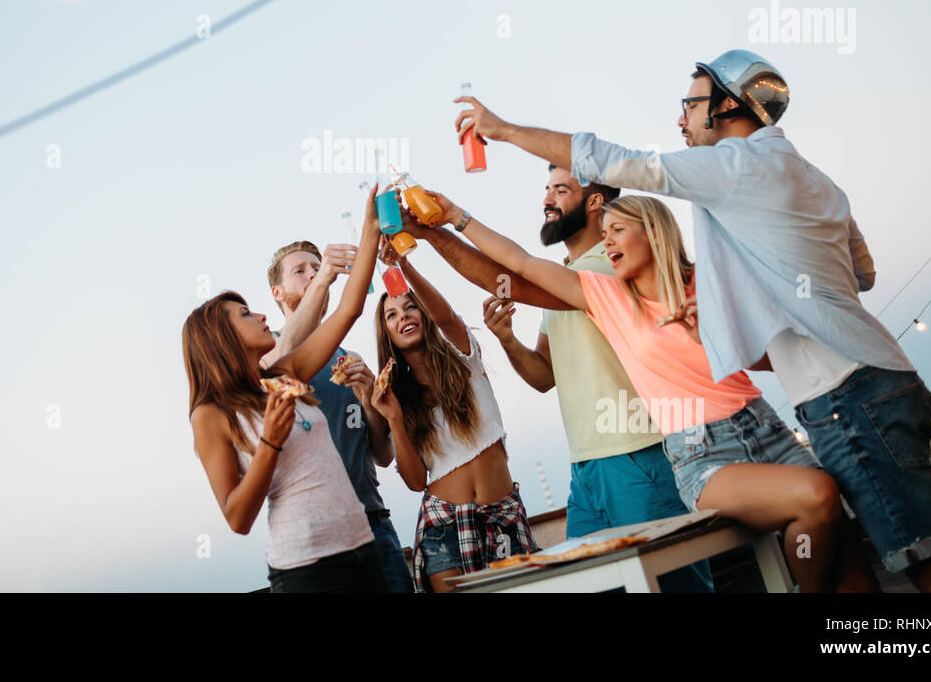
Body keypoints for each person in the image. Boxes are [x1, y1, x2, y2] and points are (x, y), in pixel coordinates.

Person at [454, 50, 931, 592]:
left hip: (843, 397)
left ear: (727, 106)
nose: (681, 120)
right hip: (886, 380)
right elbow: (862, 273)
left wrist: (500, 129)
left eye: (689, 105)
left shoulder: (732, 168)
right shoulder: (813, 178)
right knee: (862, 564)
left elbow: (618, 162)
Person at [419, 187, 876, 592]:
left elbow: (775, 355)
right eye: (606, 231)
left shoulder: (704, 285)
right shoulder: (608, 297)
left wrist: (719, 338)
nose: (608, 239)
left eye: (618, 229)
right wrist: (454, 217)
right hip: (701, 449)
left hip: (762, 425)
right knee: (816, 494)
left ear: (654, 231)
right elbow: (516, 263)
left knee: (850, 555)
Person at [397, 167, 713, 592]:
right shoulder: (566, 278)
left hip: (640, 454)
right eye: (546, 188)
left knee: (675, 586)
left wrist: (443, 229)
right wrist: (508, 341)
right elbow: (544, 376)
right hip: (586, 470)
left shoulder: (613, 265)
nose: (547, 199)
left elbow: (509, 276)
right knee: (592, 586)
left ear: (596, 201)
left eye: (561, 190)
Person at [184, 184, 387, 593]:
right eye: (245, 314)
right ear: (221, 338)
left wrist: (370, 229)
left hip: (365, 550)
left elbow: (350, 308)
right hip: (307, 572)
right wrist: (270, 443)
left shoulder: (283, 373)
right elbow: (237, 518)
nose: (260, 314)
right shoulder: (210, 415)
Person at [367, 238, 536, 593]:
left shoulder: (464, 357)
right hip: (443, 527)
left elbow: (445, 315)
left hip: (503, 515)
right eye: (392, 315)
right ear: (387, 333)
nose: (404, 317)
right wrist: (395, 419)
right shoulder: (395, 398)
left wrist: (403, 267)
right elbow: (415, 481)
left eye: (410, 307)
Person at [264, 239, 414, 592]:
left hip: (373, 520)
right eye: (299, 271)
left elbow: (382, 454)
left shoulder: (350, 359)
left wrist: (367, 400)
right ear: (278, 292)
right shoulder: (269, 352)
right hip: (314, 535)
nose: (313, 275)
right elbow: (274, 375)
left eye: (317, 267)